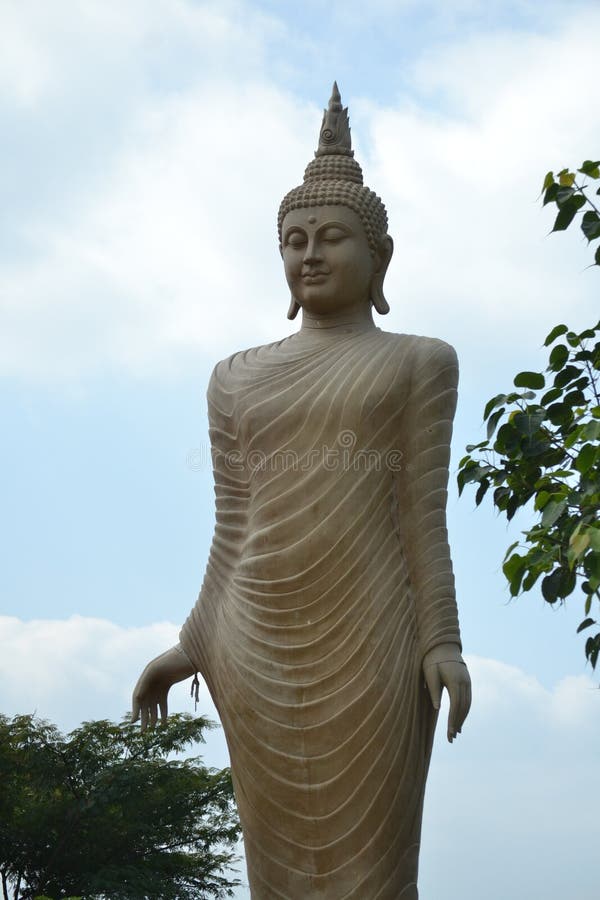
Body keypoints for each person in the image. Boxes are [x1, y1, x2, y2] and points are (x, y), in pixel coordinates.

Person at [133, 83, 471, 899]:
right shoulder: (233, 378)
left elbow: (422, 517)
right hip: (253, 641)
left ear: (380, 256)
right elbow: (233, 526)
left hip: (376, 635)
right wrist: (192, 643)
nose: (310, 255)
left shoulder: (419, 362)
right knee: (275, 876)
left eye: (332, 238)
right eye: (293, 241)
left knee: (377, 870)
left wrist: (442, 642)